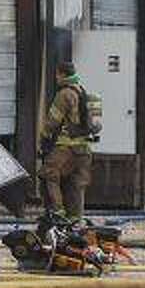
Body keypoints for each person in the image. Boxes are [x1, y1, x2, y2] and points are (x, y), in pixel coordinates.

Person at [38, 61, 94, 221]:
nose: (56, 78)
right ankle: (76, 219)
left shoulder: (64, 94)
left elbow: (53, 121)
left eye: (57, 74)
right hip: (84, 149)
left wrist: (44, 137)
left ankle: (57, 212)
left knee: (48, 174)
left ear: (62, 74)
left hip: (66, 147)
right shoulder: (82, 91)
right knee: (76, 184)